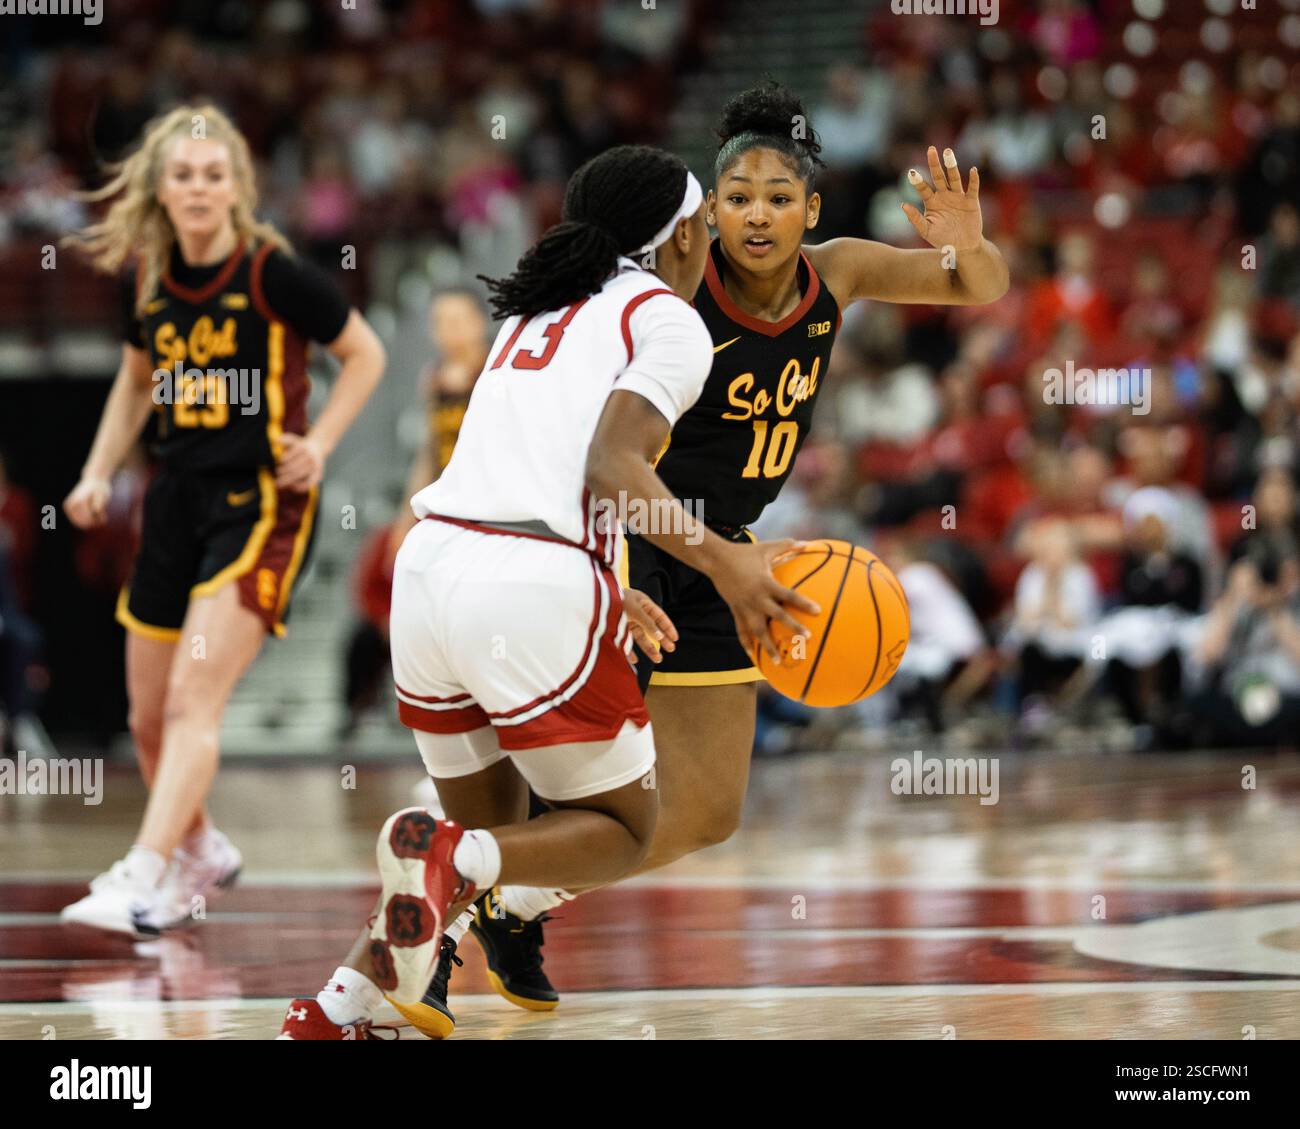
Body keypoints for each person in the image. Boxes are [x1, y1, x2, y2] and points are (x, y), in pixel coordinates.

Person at [426, 81, 1009, 1025]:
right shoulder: (670, 300)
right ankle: (436, 917)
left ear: (811, 210)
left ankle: (514, 892)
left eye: (780, 197)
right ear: (708, 210)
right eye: (737, 196)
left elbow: (979, 287)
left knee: (704, 810)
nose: (759, 215)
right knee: (570, 778)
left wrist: (966, 241)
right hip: (640, 537)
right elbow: (609, 456)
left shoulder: (843, 271)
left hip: (725, 550)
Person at [278, 144, 815, 1039]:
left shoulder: (534, 309)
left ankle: (341, 1010)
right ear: (682, 232)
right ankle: (445, 851)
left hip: (433, 573)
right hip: (528, 584)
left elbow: (536, 465)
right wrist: (729, 563)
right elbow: (612, 467)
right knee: (619, 823)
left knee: (477, 861)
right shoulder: (668, 321)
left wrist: (603, 581)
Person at [58, 103, 387, 936]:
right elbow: (137, 382)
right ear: (161, 189)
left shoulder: (272, 271)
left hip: (260, 501)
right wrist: (98, 470)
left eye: (214, 174)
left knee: (191, 705)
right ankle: (198, 846)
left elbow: (365, 353)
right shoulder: (154, 279)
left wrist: (320, 441)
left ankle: (144, 871)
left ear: (237, 184)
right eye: (184, 175)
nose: (199, 187)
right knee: (144, 715)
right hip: (177, 498)